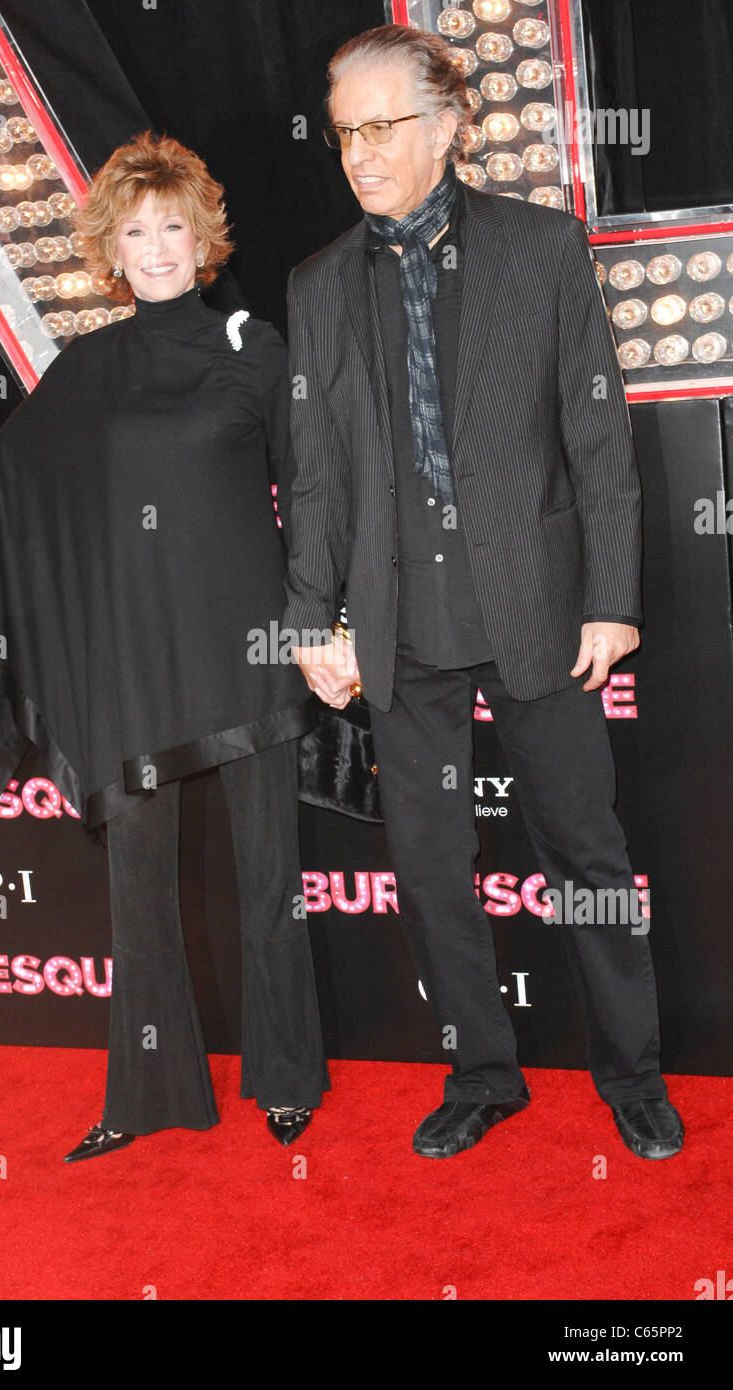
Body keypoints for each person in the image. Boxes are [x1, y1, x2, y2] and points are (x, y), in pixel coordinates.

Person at [283, 24, 683, 1160]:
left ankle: (632, 1073)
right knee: (428, 868)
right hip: (400, 623)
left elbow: (597, 443)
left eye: (380, 127)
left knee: (586, 854)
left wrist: (612, 600)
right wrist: (310, 615)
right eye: (344, 131)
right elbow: (313, 473)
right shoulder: (316, 285)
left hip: (539, 611)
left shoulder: (541, 248)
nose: (357, 153)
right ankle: (479, 1072)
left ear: (447, 125)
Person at [0, 130, 329, 1161]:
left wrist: (322, 612)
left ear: (200, 235)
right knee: (135, 887)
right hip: (135, 664)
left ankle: (285, 1076)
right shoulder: (85, 369)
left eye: (173, 225)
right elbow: (21, 483)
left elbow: (313, 486)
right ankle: (145, 1093)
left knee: (272, 875)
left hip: (247, 649)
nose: (158, 246)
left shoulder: (254, 349)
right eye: (136, 231)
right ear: (111, 250)